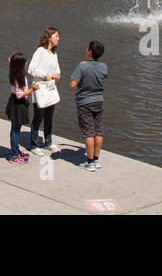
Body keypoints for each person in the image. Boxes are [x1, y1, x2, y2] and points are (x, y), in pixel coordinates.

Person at [69, 40, 107, 171]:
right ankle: (96, 159)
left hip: (85, 102)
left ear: (90, 52)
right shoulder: (103, 66)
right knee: (99, 131)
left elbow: (72, 84)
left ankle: (89, 162)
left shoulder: (82, 66)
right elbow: (103, 76)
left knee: (88, 132)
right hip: (98, 101)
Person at [28, 27, 62, 155]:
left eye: (58, 37)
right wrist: (44, 75)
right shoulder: (40, 51)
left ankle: (48, 142)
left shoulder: (54, 54)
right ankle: (34, 144)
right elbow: (31, 69)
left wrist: (56, 75)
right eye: (56, 36)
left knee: (49, 117)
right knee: (38, 117)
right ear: (49, 38)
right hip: (40, 88)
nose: (58, 39)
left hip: (51, 89)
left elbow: (58, 71)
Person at [5, 52, 38, 164]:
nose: (26, 63)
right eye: (25, 61)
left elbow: (10, 60)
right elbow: (20, 94)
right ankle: (14, 155)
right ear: (20, 64)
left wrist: (13, 56)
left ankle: (16, 150)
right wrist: (32, 89)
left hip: (14, 102)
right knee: (16, 130)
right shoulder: (20, 77)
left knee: (16, 128)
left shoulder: (13, 71)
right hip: (18, 104)